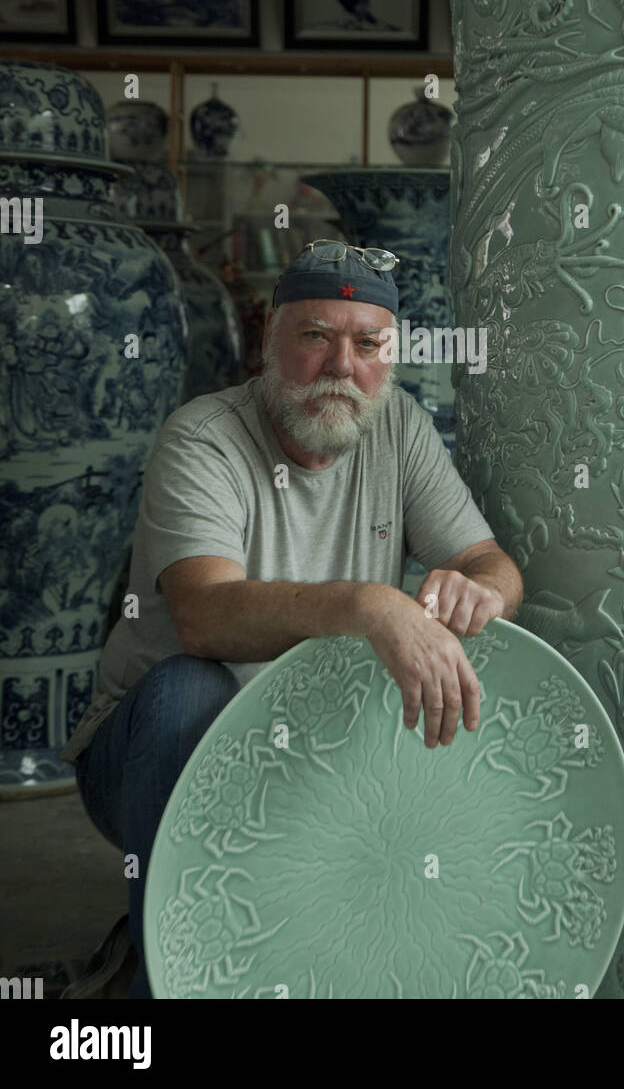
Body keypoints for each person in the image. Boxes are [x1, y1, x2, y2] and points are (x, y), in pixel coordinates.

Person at [60, 240, 523, 998]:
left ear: (389, 355)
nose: (342, 367)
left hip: (317, 750)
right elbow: (205, 618)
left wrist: (484, 593)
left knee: (446, 692)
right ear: (269, 342)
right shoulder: (203, 436)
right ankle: (166, 974)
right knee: (191, 688)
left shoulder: (397, 428)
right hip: (157, 751)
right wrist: (369, 603)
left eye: (367, 344)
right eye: (315, 337)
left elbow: (494, 564)